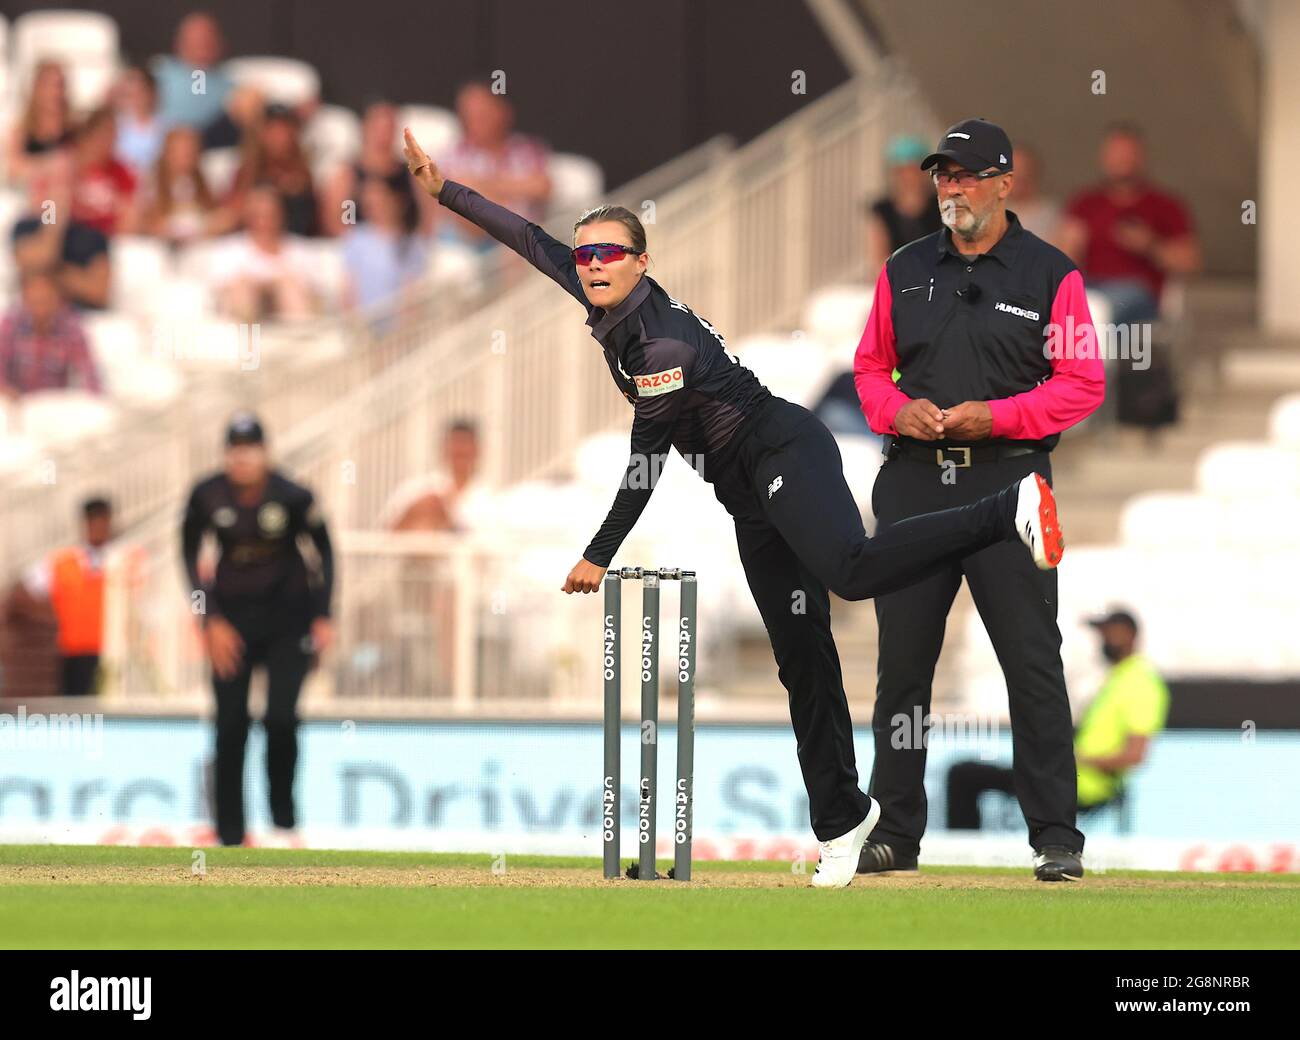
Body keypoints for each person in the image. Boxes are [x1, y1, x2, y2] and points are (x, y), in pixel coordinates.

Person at [403, 127, 1066, 888]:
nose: (591, 265)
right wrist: (443, 189)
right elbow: (525, 236)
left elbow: (645, 465)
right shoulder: (598, 290)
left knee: (849, 570)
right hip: (747, 494)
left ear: (642, 263)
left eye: (609, 254)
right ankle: (844, 821)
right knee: (800, 658)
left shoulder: (660, 350)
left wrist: (597, 555)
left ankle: (1007, 507)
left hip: (784, 450)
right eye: (584, 255)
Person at [853, 118, 1104, 883]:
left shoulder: (1052, 272)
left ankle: (1056, 836)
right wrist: (896, 411)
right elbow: (868, 370)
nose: (950, 188)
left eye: (965, 175)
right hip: (917, 479)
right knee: (902, 668)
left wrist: (996, 416)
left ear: (1004, 182)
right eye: (942, 175)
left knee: (1031, 662)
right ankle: (894, 831)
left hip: (1012, 480)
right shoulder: (902, 267)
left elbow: (1082, 384)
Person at [181, 413, 334, 847]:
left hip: (289, 621)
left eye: (251, 450)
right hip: (231, 625)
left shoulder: (294, 496)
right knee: (229, 724)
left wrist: (323, 615)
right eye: (235, 450)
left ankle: (284, 824)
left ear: (265, 453)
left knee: (282, 718)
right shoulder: (206, 495)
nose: (243, 459)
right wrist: (208, 620)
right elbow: (189, 555)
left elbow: (325, 551)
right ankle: (230, 833)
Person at [946, 608, 1168, 836]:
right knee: (972, 772)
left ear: (1128, 634)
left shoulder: (1140, 682)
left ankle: (963, 848)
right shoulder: (1119, 677)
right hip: (1066, 774)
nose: (1102, 640)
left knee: (964, 775)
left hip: (1081, 785)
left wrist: (1076, 759)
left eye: (1108, 632)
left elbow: (1135, 755)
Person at [1059, 123, 1201, 325]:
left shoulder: (1166, 205)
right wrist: (1070, 247)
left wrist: (1151, 245)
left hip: (1139, 294)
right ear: (1104, 158)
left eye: (1128, 154)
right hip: (1090, 287)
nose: (1122, 160)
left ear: (1142, 158)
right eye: (1116, 154)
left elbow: (1191, 263)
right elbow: (1059, 259)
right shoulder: (1084, 203)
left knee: (1098, 309)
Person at [12, 498, 115, 696]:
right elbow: (24, 589)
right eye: (93, 522)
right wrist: (50, 618)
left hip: (111, 652)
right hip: (72, 652)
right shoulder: (63, 562)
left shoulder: (122, 560)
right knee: (76, 709)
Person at [433, 83, 551, 246]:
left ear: (503, 112)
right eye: (469, 115)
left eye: (482, 114)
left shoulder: (526, 150)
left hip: (522, 244)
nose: (475, 121)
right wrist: (512, 189)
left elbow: (541, 187)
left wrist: (481, 185)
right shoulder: (453, 155)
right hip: (468, 245)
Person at [210, 187, 317, 322]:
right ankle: (248, 340)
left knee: (289, 287)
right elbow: (222, 288)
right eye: (257, 216)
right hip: (244, 317)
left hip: (291, 313)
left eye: (270, 215)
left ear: (281, 216)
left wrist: (277, 285)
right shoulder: (229, 249)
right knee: (242, 289)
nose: (264, 222)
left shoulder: (300, 250)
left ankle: (298, 339)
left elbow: (311, 288)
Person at [0, 269, 102, 397]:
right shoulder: (11, 322)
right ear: (25, 298)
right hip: (16, 401)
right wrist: (4, 391)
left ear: (57, 299)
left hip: (53, 404)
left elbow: (88, 370)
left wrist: (94, 400)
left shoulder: (70, 326)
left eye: (44, 299)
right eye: (34, 300)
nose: (39, 307)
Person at [341, 176, 429, 313]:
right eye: (370, 204)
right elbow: (349, 290)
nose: (377, 207)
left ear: (398, 201)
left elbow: (413, 296)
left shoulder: (411, 243)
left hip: (401, 326)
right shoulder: (356, 238)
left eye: (381, 201)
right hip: (363, 323)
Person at [230, 103, 319, 238]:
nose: (278, 136)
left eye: (283, 130)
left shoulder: (306, 172)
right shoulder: (247, 172)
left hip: (297, 245)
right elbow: (234, 213)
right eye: (271, 129)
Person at [384, 419, 485, 532]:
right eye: (455, 443)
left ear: (477, 449)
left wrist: (448, 522)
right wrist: (413, 512)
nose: (460, 450)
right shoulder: (415, 489)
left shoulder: (491, 500)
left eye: (465, 443)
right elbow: (384, 534)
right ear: (444, 447)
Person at [864, 134, 944, 274]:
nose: (908, 178)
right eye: (902, 172)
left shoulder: (941, 204)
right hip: (897, 282)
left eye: (913, 171)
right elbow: (878, 260)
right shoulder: (883, 210)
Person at [5, 60, 72, 185]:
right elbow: (12, 170)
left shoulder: (74, 127)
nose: (55, 92)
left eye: (60, 85)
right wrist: (48, 165)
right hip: (34, 200)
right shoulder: (21, 130)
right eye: (48, 85)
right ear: (36, 88)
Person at [112, 64, 166, 176]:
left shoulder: (167, 127)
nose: (135, 99)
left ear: (152, 93)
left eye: (140, 92)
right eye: (128, 94)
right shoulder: (112, 126)